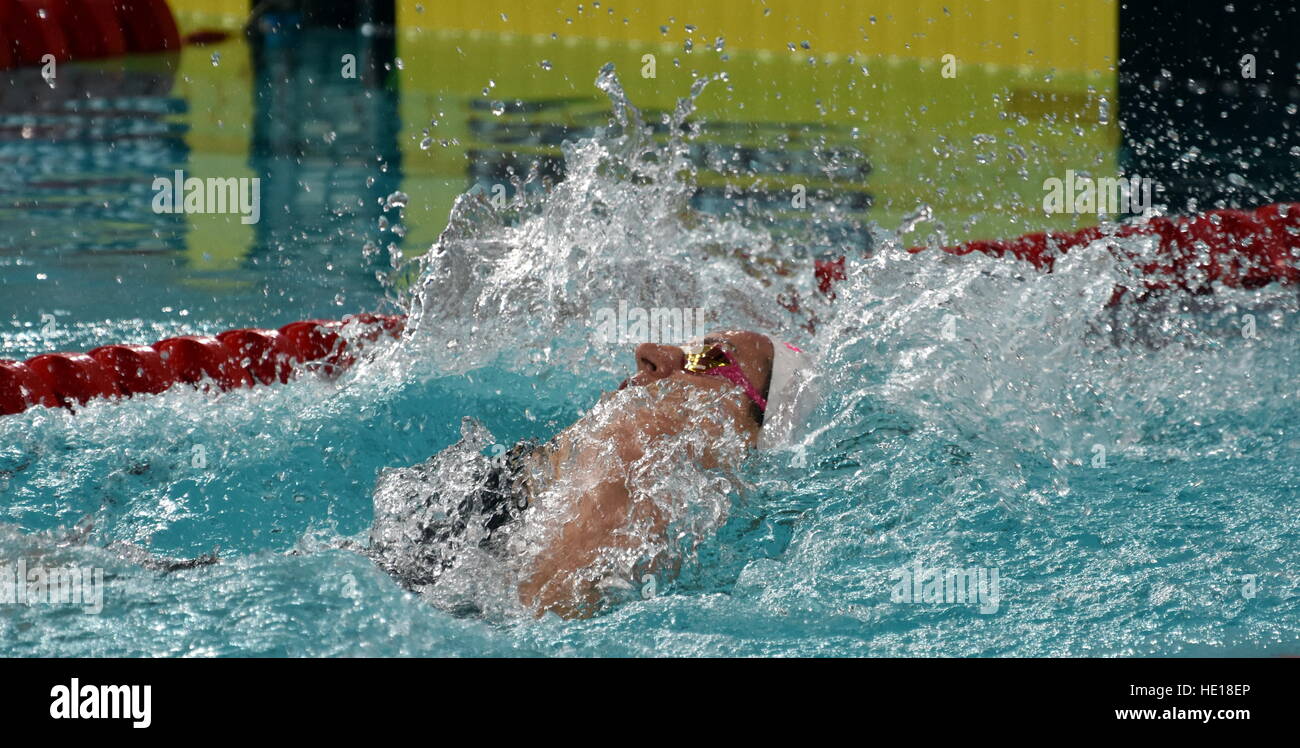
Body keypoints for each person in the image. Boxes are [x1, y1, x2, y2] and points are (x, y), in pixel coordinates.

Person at [365, 329, 817, 619]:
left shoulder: (640, 452)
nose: (650, 353)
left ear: (746, 438)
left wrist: (633, 445)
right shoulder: (503, 492)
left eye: (709, 359)